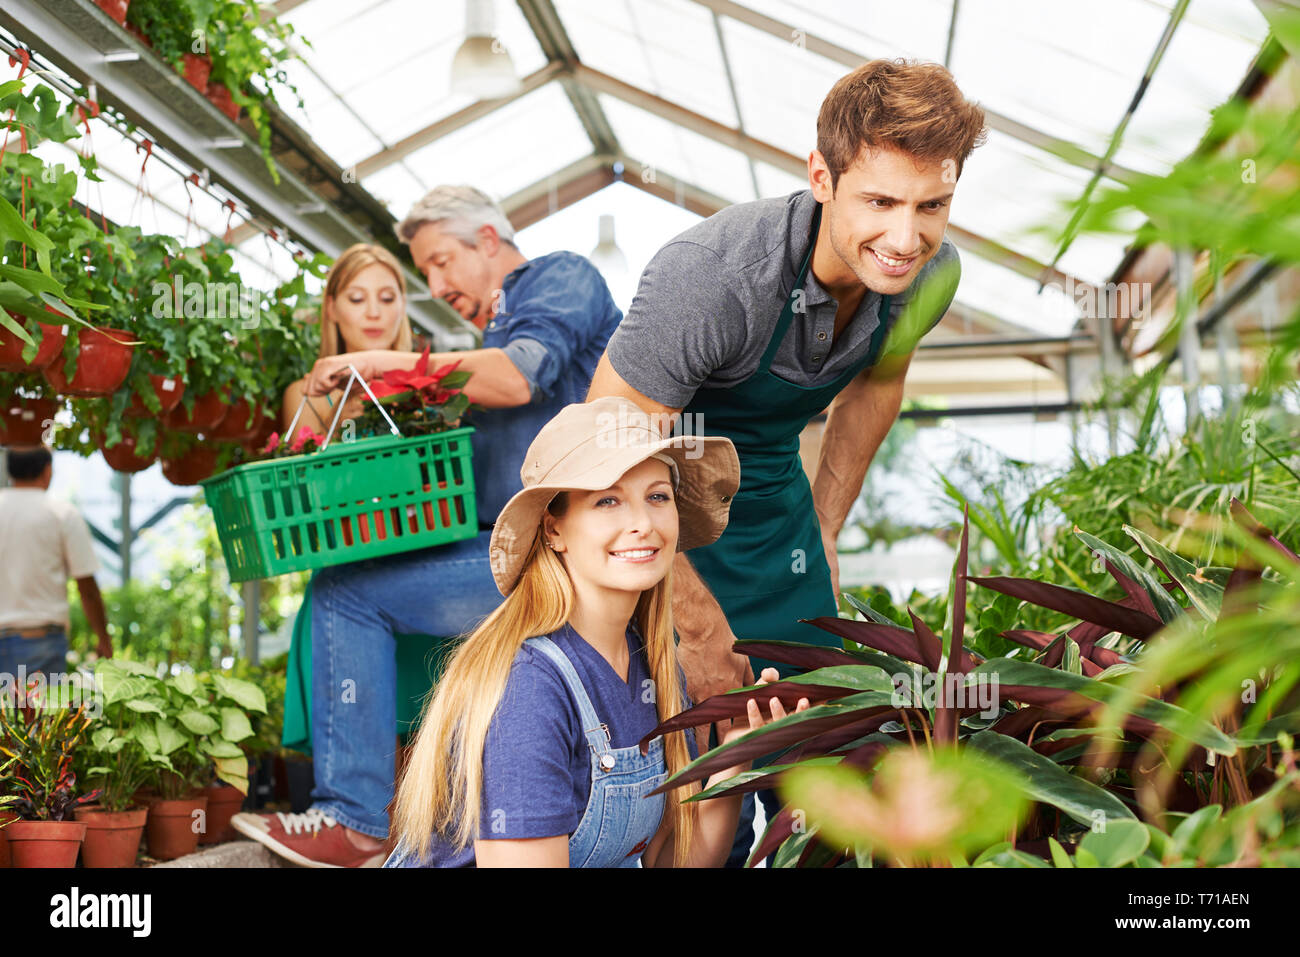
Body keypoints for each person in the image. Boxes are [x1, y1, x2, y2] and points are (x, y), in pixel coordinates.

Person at [584, 58, 985, 864]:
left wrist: (827, 528)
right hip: (655, 521)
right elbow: (610, 452)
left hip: (777, 509)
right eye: (879, 201)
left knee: (818, 769)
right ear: (821, 176)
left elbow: (876, 389)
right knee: (702, 777)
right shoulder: (713, 278)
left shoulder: (931, 276)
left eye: (931, 205)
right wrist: (693, 623)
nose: (906, 239)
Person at [232, 185, 624, 867]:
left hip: (555, 553)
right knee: (348, 580)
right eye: (429, 271)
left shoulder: (560, 276)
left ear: (490, 242)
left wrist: (385, 366)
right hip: (513, 545)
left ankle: (356, 819)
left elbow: (520, 378)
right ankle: (417, 819)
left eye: (441, 262)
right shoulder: (490, 336)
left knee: (345, 594)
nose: (436, 286)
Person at [384, 397, 807, 867]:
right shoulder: (528, 687)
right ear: (554, 531)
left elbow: (674, 860)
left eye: (657, 496)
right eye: (607, 500)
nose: (642, 523)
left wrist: (735, 753)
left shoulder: (654, 670)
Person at [0, 446, 112, 684]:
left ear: (10, 471)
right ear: (47, 471)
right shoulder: (62, 514)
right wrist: (103, 638)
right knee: (36, 720)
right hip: (40, 644)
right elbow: (87, 587)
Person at [278, 243, 414, 435]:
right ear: (331, 308)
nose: (374, 313)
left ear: (403, 305)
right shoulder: (305, 396)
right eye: (357, 299)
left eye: (387, 298)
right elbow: (305, 464)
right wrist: (334, 426)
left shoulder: (428, 386)